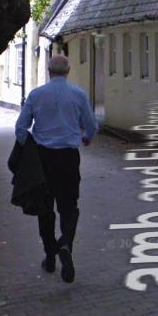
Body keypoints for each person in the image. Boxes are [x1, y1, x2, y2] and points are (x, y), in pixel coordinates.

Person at [14, 53, 98, 283]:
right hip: (68, 158)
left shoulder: (36, 95)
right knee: (69, 206)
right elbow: (91, 125)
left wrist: (29, 149)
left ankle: (50, 257)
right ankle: (65, 244)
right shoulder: (78, 94)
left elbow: (21, 129)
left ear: (48, 71)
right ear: (68, 71)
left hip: (42, 159)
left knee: (45, 209)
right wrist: (87, 137)